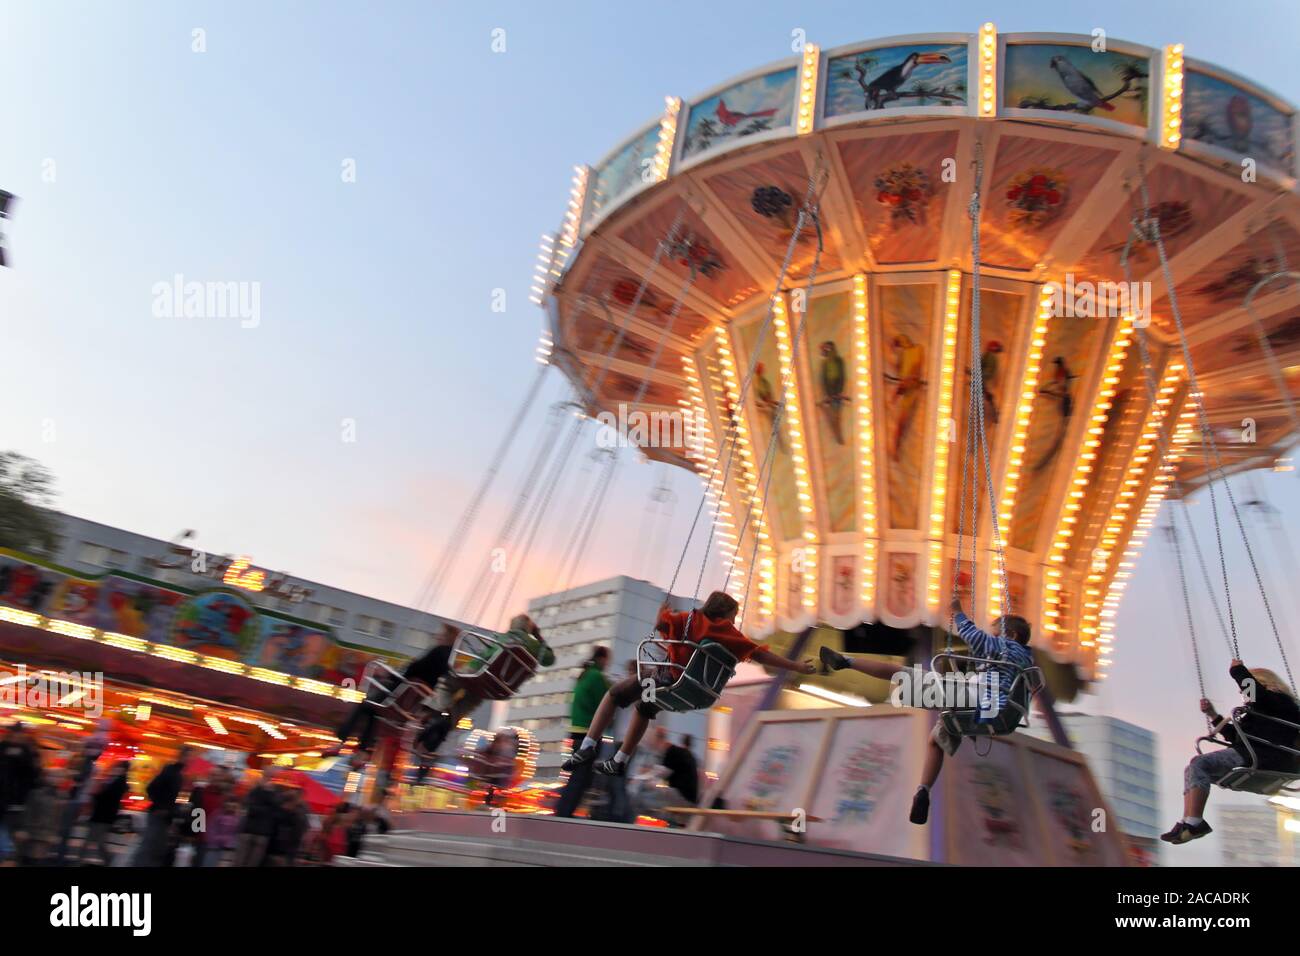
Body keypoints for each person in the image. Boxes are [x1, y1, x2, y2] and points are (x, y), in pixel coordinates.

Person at [820, 595, 1034, 826]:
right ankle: (923, 790)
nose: (993, 639)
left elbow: (975, 638)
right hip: (989, 709)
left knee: (901, 674)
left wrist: (957, 612)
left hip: (975, 699)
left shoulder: (1008, 646)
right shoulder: (1026, 660)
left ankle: (847, 662)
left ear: (1011, 636)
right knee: (935, 740)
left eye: (995, 633)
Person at [563, 592, 815, 778]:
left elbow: (662, 625)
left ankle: (587, 745)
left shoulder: (688, 619)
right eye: (733, 616)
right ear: (726, 612)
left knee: (615, 694)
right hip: (696, 691)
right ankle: (619, 760)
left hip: (671, 679)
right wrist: (797, 666)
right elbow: (761, 655)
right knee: (645, 708)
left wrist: (661, 612)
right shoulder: (730, 635)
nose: (733, 621)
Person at [1162, 661, 1300, 845]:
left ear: (1261, 683)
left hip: (1263, 756)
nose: (1243, 695)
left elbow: (1254, 692)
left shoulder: (1277, 701)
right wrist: (1213, 715)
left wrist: (1237, 670)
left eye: (1245, 690)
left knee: (1199, 763)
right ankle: (1188, 821)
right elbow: (1236, 736)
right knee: (1192, 769)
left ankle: (1195, 822)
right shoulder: (1264, 710)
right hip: (1261, 755)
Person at [326, 628, 459, 763]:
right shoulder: (449, 664)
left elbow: (413, 669)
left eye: (441, 635)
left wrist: (389, 674)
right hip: (409, 708)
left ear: (447, 638)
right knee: (373, 711)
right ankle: (362, 752)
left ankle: (342, 741)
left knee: (366, 705)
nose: (438, 637)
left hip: (398, 698)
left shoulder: (437, 652)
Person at [554, 646, 611, 818]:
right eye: (608, 659)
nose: (608, 664)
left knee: (579, 776)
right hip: (589, 733)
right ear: (602, 658)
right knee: (582, 778)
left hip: (576, 731)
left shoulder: (584, 675)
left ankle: (564, 810)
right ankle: (564, 812)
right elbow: (607, 701)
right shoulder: (596, 677)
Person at [130, 747, 190, 866]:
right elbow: (151, 788)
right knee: (150, 844)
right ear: (182, 756)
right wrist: (160, 807)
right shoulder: (170, 772)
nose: (190, 760)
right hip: (159, 814)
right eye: (188, 757)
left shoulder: (177, 774)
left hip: (165, 815)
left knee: (157, 846)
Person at [0, 722, 40, 864]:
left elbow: (31, 777)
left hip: (14, 800)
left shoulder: (24, 752)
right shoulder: (20, 751)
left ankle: (7, 855)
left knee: (9, 832)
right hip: (12, 799)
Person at [80, 760, 130, 866]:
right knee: (98, 841)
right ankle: (108, 861)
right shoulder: (116, 781)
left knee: (91, 839)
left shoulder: (118, 782)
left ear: (123, 770)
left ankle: (80, 860)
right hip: (104, 814)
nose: (116, 769)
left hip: (103, 814)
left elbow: (108, 797)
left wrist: (96, 796)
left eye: (119, 767)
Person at [233, 767, 279, 866]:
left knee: (241, 860)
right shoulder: (274, 793)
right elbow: (274, 810)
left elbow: (248, 805)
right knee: (251, 861)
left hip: (251, 830)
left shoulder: (255, 791)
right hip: (261, 832)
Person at [662, 732, 700, 805]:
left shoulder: (676, 751)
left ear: (681, 740)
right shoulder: (693, 758)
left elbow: (664, 773)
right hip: (691, 800)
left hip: (680, 795)